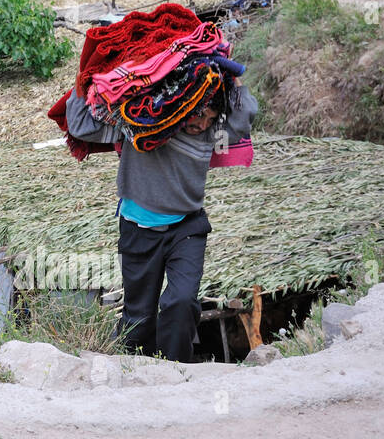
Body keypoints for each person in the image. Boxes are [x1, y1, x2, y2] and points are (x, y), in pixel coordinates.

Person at [65, 80, 258, 362]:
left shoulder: (212, 136)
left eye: (210, 119)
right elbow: (81, 125)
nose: (203, 124)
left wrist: (235, 81)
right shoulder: (141, 126)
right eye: (198, 115)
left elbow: (242, 121)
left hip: (187, 228)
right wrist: (84, 80)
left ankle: (176, 369)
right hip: (138, 231)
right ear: (183, 106)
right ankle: (133, 370)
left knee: (181, 302)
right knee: (139, 317)